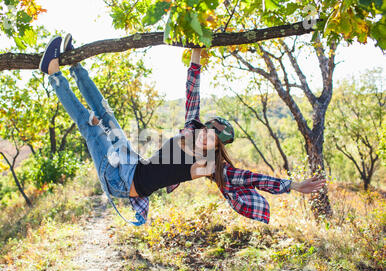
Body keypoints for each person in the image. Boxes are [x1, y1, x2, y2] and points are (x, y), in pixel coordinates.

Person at [39, 34, 326, 226]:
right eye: (207, 128)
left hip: (119, 182)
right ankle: (74, 64)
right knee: (105, 113)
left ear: (215, 148)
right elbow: (192, 91)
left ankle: (52, 73)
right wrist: (197, 53)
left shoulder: (203, 166)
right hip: (130, 163)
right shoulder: (190, 130)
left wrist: (291, 185)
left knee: (92, 130)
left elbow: (247, 177)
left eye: (211, 137)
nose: (204, 134)